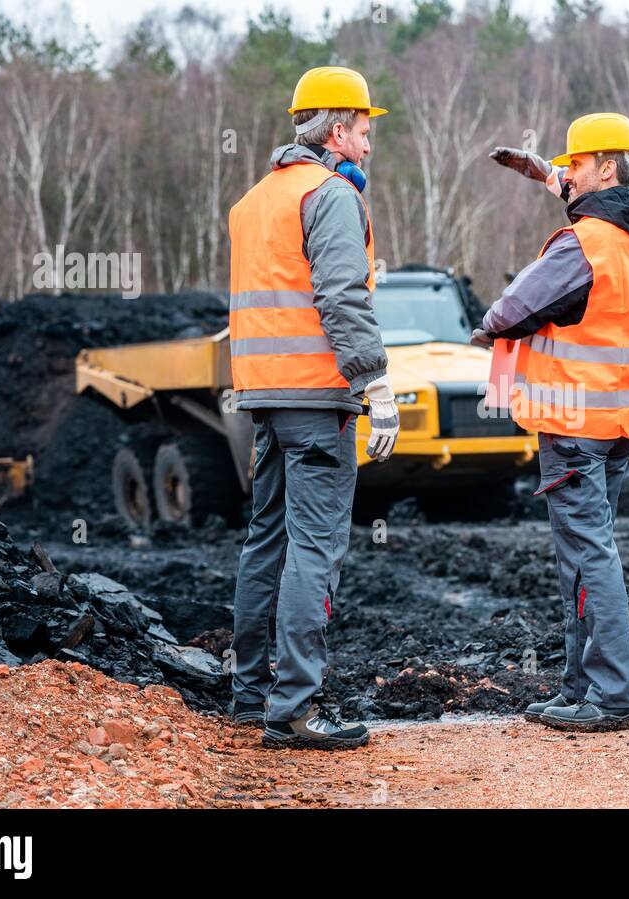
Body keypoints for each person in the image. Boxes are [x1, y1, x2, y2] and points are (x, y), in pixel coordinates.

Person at [475, 114, 629, 731]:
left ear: (605, 167)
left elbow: (513, 309)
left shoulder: (583, 243)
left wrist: (487, 328)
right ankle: (581, 687)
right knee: (584, 555)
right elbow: (588, 198)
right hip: (617, 422)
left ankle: (611, 694)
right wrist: (542, 172)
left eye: (576, 164)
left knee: (589, 554)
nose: (569, 174)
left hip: (572, 423)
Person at [228, 66, 398, 750]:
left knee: (265, 539)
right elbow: (341, 296)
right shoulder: (331, 195)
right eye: (363, 129)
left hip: (264, 396)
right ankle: (295, 706)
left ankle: (250, 694)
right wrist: (375, 383)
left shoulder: (253, 201)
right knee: (316, 546)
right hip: (317, 396)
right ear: (336, 132)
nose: (369, 142)